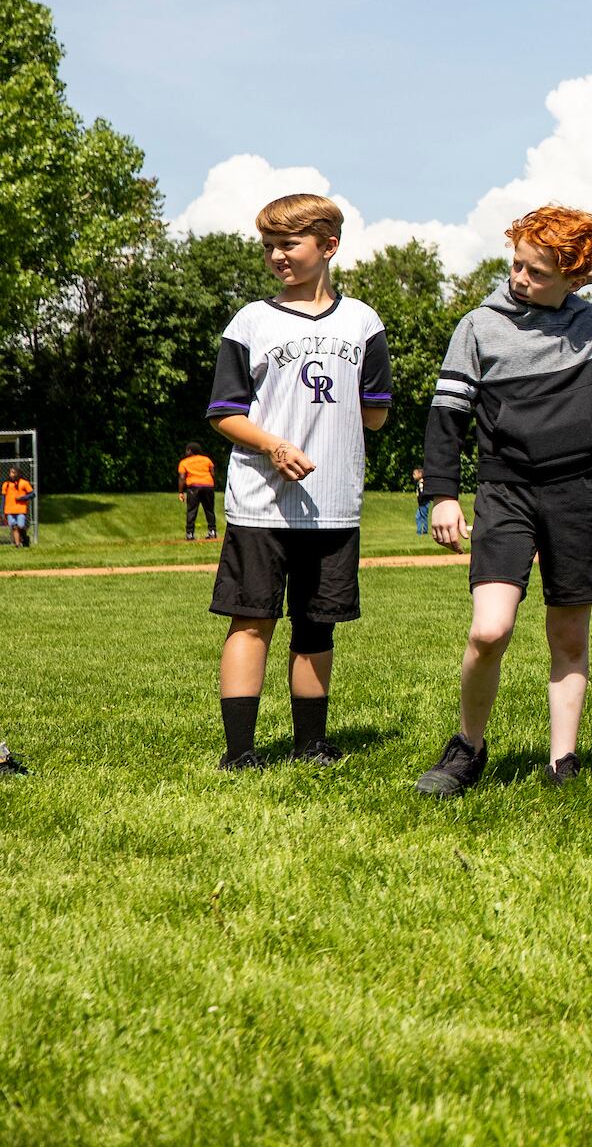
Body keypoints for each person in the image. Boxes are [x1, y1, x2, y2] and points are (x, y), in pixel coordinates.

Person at [414, 207, 592, 797]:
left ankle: (563, 762)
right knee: (489, 629)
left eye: (537, 272)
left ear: (574, 277)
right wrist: (442, 496)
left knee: (569, 638)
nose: (520, 279)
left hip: (576, 491)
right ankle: (467, 747)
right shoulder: (479, 326)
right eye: (517, 264)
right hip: (504, 491)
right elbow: (447, 416)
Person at [205, 193, 394, 769]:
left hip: (333, 503)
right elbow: (223, 413)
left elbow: (376, 412)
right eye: (269, 246)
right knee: (252, 619)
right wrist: (276, 444)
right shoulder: (251, 322)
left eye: (289, 244)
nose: (277, 256)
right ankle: (240, 752)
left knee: (317, 625)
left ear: (329, 245)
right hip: (261, 503)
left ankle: (311, 744)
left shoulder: (363, 322)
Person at [177, 443, 218, 542]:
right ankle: (212, 531)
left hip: (193, 487)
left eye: (187, 450)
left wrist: (181, 492)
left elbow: (182, 478)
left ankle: (190, 533)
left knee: (192, 510)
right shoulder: (207, 459)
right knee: (209, 509)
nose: (186, 452)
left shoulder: (184, 462)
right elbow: (212, 473)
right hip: (208, 485)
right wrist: (211, 484)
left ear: (190, 451)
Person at [2, 466, 31, 548]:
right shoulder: (6, 484)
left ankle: (25, 538)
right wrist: (2, 510)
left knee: (20, 526)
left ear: (18, 473)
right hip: (9, 510)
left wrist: (22, 498)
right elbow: (3, 498)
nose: (11, 474)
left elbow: (32, 494)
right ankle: (17, 545)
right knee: (14, 527)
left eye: (13, 472)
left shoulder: (24, 483)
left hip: (21, 509)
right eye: (10, 472)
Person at [412, 467, 429, 536]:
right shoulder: (419, 483)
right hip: (421, 503)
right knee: (418, 516)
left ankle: (425, 531)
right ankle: (419, 531)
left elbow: (423, 493)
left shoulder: (422, 483)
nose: (413, 476)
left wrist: (421, 500)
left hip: (424, 503)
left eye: (414, 474)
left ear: (420, 474)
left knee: (423, 517)